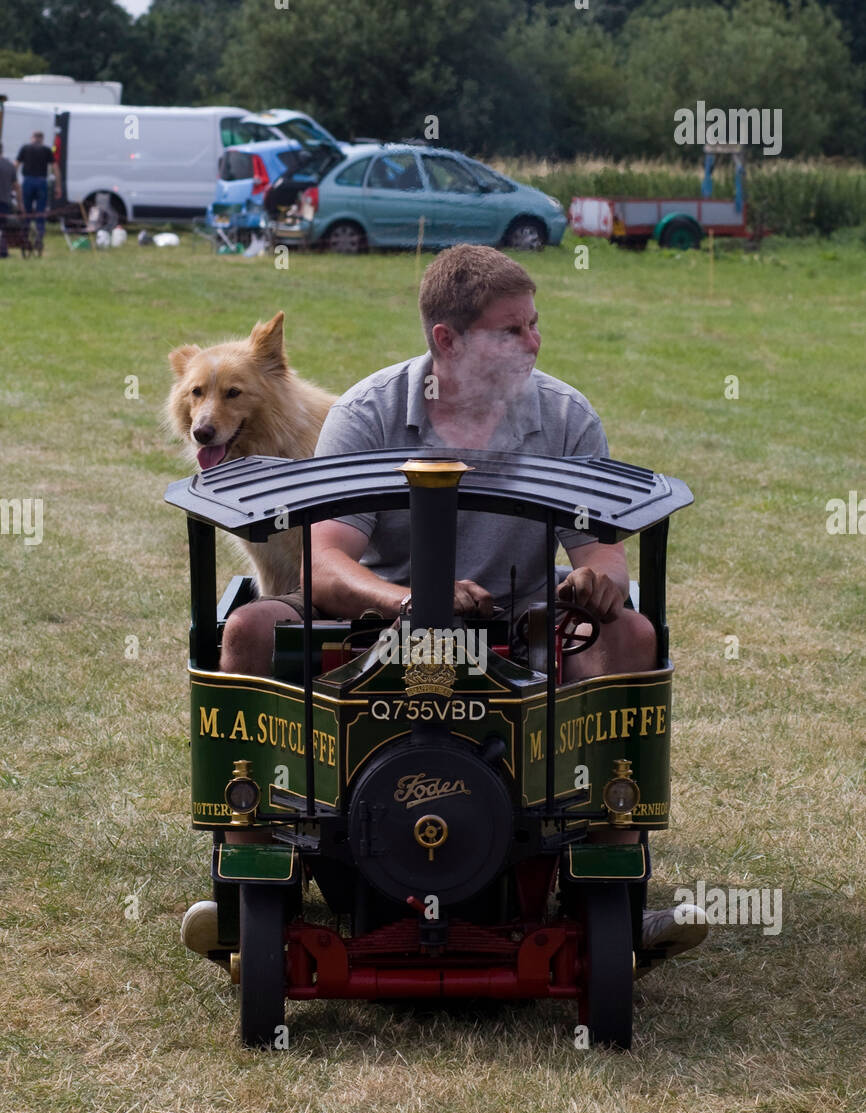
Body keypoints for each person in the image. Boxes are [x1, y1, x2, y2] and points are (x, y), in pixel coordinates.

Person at [185, 245, 706, 964]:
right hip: (370, 627)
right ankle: (248, 885)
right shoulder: (369, 411)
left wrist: (601, 583)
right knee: (246, 630)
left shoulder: (564, 415)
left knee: (632, 636)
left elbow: (601, 553)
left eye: (533, 325)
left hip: (517, 629)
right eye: (511, 330)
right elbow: (326, 562)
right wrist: (411, 600)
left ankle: (609, 884)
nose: (534, 342)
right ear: (447, 341)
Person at [15, 131, 61, 249]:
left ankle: (25, 236)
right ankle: (39, 237)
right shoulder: (46, 150)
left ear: (32, 138)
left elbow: (16, 165)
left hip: (28, 181)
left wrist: (12, 182)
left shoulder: (25, 148)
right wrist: (58, 186)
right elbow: (55, 168)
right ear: (42, 139)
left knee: (27, 210)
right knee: (41, 211)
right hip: (41, 182)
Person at [0, 143, 19, 258]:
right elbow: (16, 186)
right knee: (2, 228)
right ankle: (2, 251)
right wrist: (20, 204)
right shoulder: (9, 165)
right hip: (5, 202)